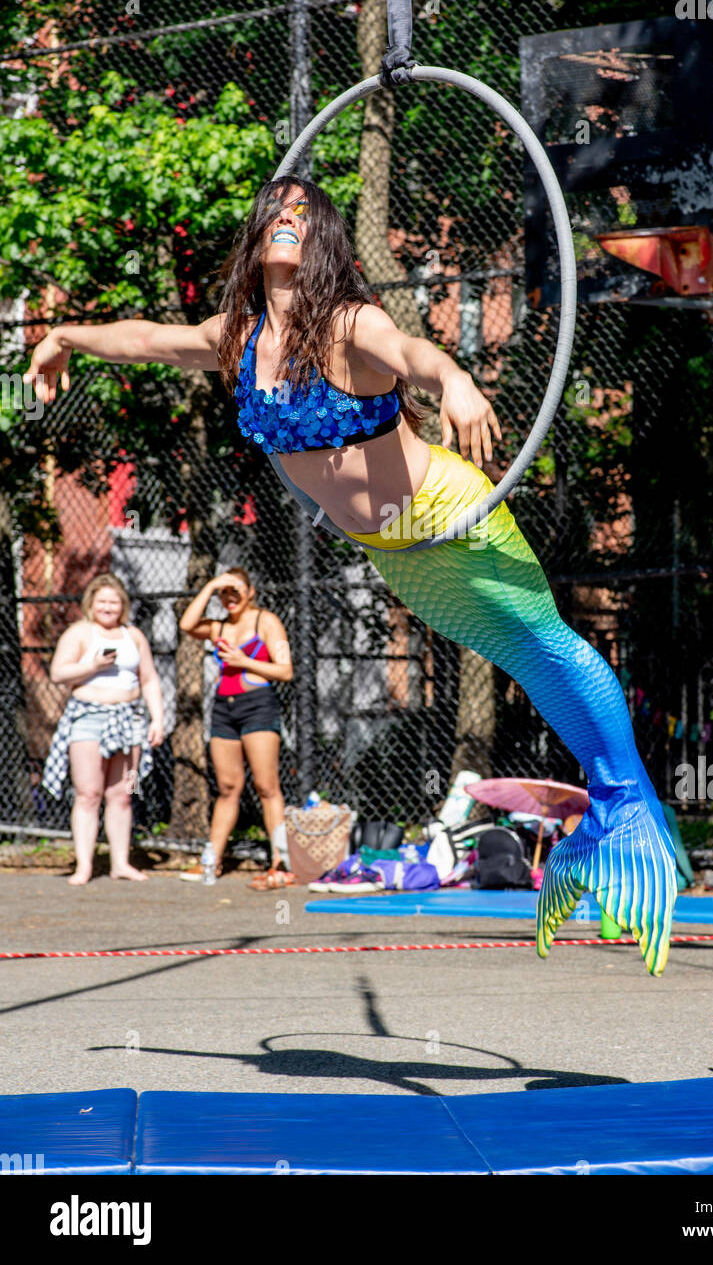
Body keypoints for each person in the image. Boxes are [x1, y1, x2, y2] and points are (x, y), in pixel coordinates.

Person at [24, 175, 677, 973]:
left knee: (547, 640)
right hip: (395, 555)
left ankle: (626, 805)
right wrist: (65, 335)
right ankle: (609, 814)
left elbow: (412, 352)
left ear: (324, 235)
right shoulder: (235, 336)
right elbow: (148, 339)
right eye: (278, 210)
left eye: (306, 213)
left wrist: (457, 382)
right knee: (523, 662)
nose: (290, 221)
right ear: (260, 229)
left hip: (444, 512)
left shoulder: (347, 322)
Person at [43, 572, 164, 884]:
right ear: (91, 604)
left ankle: (120, 863)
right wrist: (93, 666)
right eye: (102, 602)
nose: (108, 607)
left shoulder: (133, 635)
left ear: (122, 604)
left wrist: (158, 719)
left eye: (114, 602)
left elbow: (149, 678)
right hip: (88, 718)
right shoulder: (80, 632)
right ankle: (84, 865)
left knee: (123, 793)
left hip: (130, 720)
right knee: (88, 793)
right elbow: (58, 673)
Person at [179, 566, 294, 886]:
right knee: (228, 788)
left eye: (236, 591)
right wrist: (211, 585)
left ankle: (280, 861)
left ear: (251, 592)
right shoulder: (217, 628)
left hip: (257, 706)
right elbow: (186, 624)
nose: (230, 598)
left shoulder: (265, 621)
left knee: (266, 786)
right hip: (223, 710)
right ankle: (211, 862)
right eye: (223, 593)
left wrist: (244, 662)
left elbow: (285, 671)